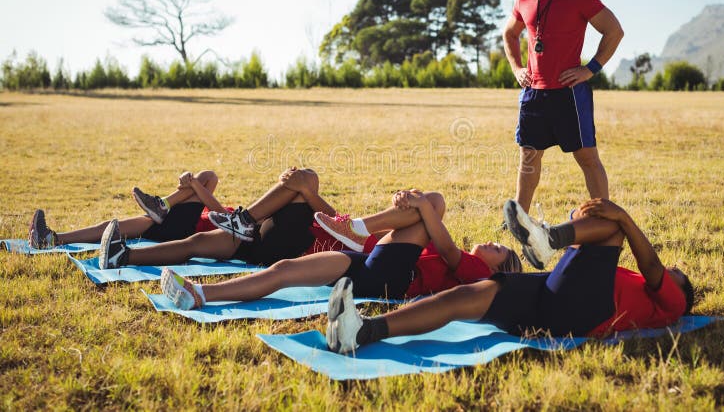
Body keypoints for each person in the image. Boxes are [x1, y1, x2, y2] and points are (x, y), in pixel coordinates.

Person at [325, 198, 694, 354]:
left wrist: (624, 218)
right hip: (549, 294)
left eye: (676, 273)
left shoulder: (673, 305)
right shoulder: (627, 279)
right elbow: (588, 267)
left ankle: (549, 239)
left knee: (614, 228)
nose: (669, 270)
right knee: (462, 298)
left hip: (584, 314)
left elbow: (651, 267)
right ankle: (362, 332)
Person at [158, 189, 522, 310]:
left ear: (498, 269)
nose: (494, 243)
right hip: (372, 267)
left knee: (435, 202)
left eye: (501, 251)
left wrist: (423, 205)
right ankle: (200, 294)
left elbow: (449, 249)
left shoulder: (481, 274)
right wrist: (411, 203)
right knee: (284, 270)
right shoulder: (469, 264)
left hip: (395, 278)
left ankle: (357, 227)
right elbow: (435, 238)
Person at [503, 0, 624, 215]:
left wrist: (590, 68)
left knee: (587, 158)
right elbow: (509, 33)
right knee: (528, 158)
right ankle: (519, 218)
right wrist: (517, 69)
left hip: (569, 94)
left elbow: (614, 30)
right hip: (534, 93)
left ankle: (606, 218)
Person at [98, 167, 360, 269]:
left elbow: (333, 219)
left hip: (290, 246)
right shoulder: (361, 231)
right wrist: (299, 185)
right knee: (196, 243)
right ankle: (122, 256)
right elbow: (336, 219)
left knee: (307, 177)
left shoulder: (362, 243)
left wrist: (305, 187)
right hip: (256, 235)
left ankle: (243, 221)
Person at [27, 170, 226, 249]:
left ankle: (162, 205)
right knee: (111, 227)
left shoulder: (237, 224)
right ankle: (50, 239)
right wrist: (189, 180)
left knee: (209, 176)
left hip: (185, 229)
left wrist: (193, 182)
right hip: (177, 221)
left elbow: (224, 216)